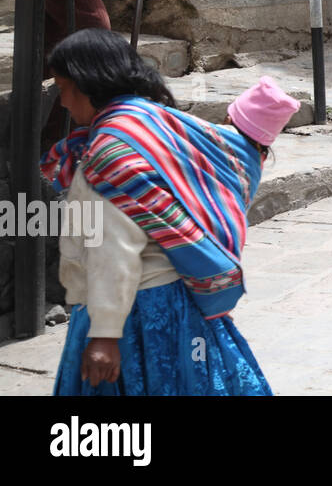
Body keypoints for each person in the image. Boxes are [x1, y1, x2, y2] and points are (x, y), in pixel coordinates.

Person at [40, 29, 299, 395]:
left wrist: (104, 336)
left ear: (85, 83)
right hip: (181, 303)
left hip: (132, 314)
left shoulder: (110, 152)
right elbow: (239, 148)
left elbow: (111, 251)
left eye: (63, 88)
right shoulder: (156, 120)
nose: (62, 102)